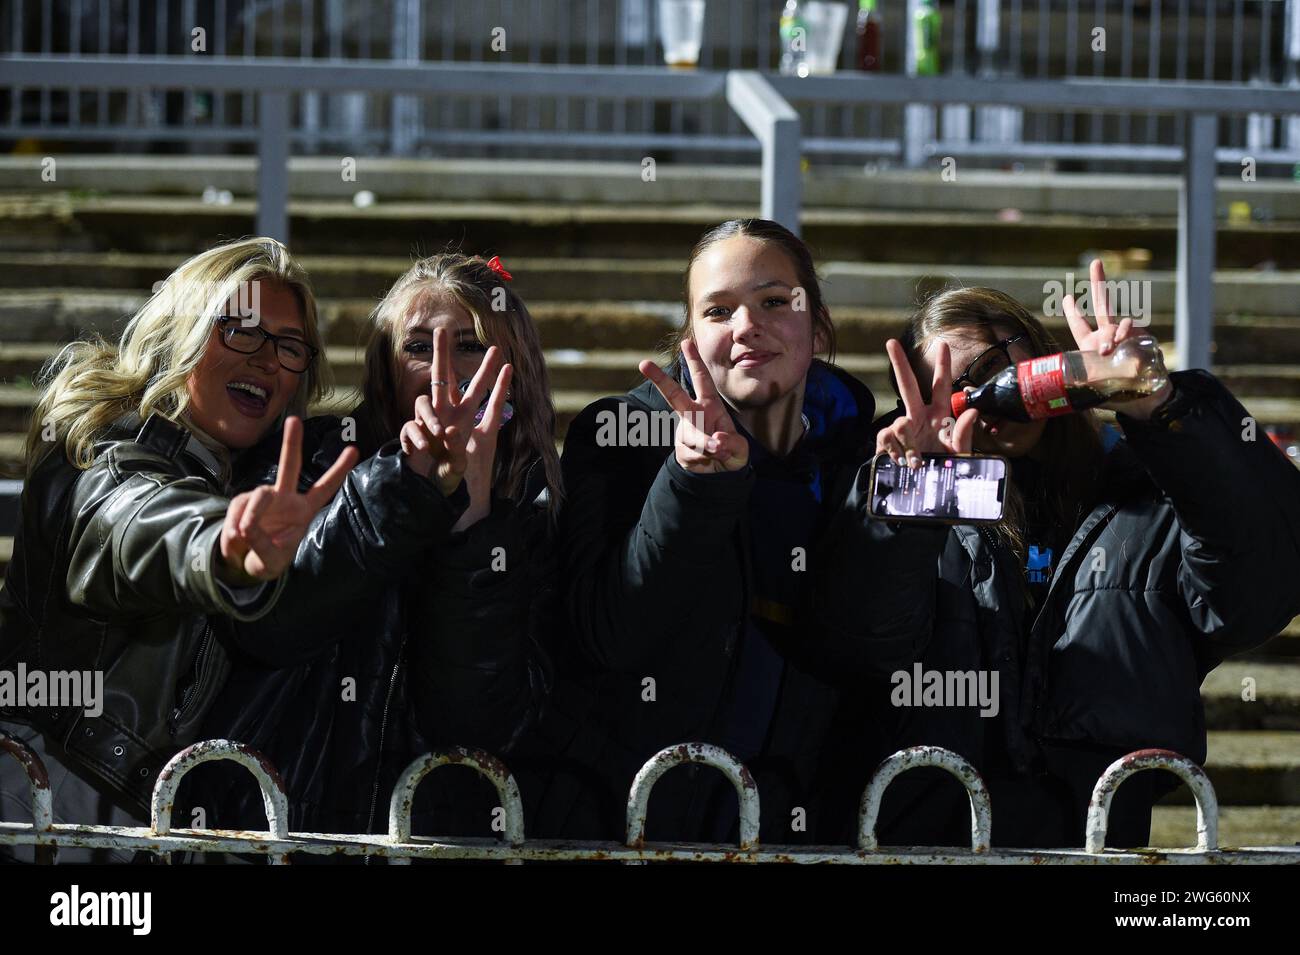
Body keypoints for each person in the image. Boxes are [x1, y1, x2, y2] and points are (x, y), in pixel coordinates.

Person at [856, 260, 1300, 848]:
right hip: (934, 842)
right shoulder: (904, 489)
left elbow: (1254, 596)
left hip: (1103, 838)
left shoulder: (1150, 487)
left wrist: (1160, 409)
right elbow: (861, 639)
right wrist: (927, 496)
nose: (981, 403)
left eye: (990, 369)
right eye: (951, 394)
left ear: (1036, 350)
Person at [523, 218, 878, 846]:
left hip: (793, 834)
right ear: (690, 338)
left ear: (818, 326)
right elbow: (608, 634)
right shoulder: (620, 435)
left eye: (774, 302)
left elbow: (872, 651)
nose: (746, 327)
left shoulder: (858, 459)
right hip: (626, 826)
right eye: (718, 311)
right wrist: (695, 485)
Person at [0, 237, 356, 862]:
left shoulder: (253, 474)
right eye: (241, 329)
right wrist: (224, 547)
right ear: (183, 333)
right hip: (43, 813)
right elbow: (139, 521)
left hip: (143, 831)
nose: (268, 359)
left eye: (289, 345)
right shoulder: (102, 450)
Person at [188, 253, 560, 844]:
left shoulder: (540, 509)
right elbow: (268, 626)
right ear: (384, 365)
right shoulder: (309, 457)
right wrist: (408, 488)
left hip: (434, 839)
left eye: (469, 345)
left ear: (515, 366)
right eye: (419, 348)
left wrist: (472, 518)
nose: (445, 372)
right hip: (271, 826)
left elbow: (477, 723)